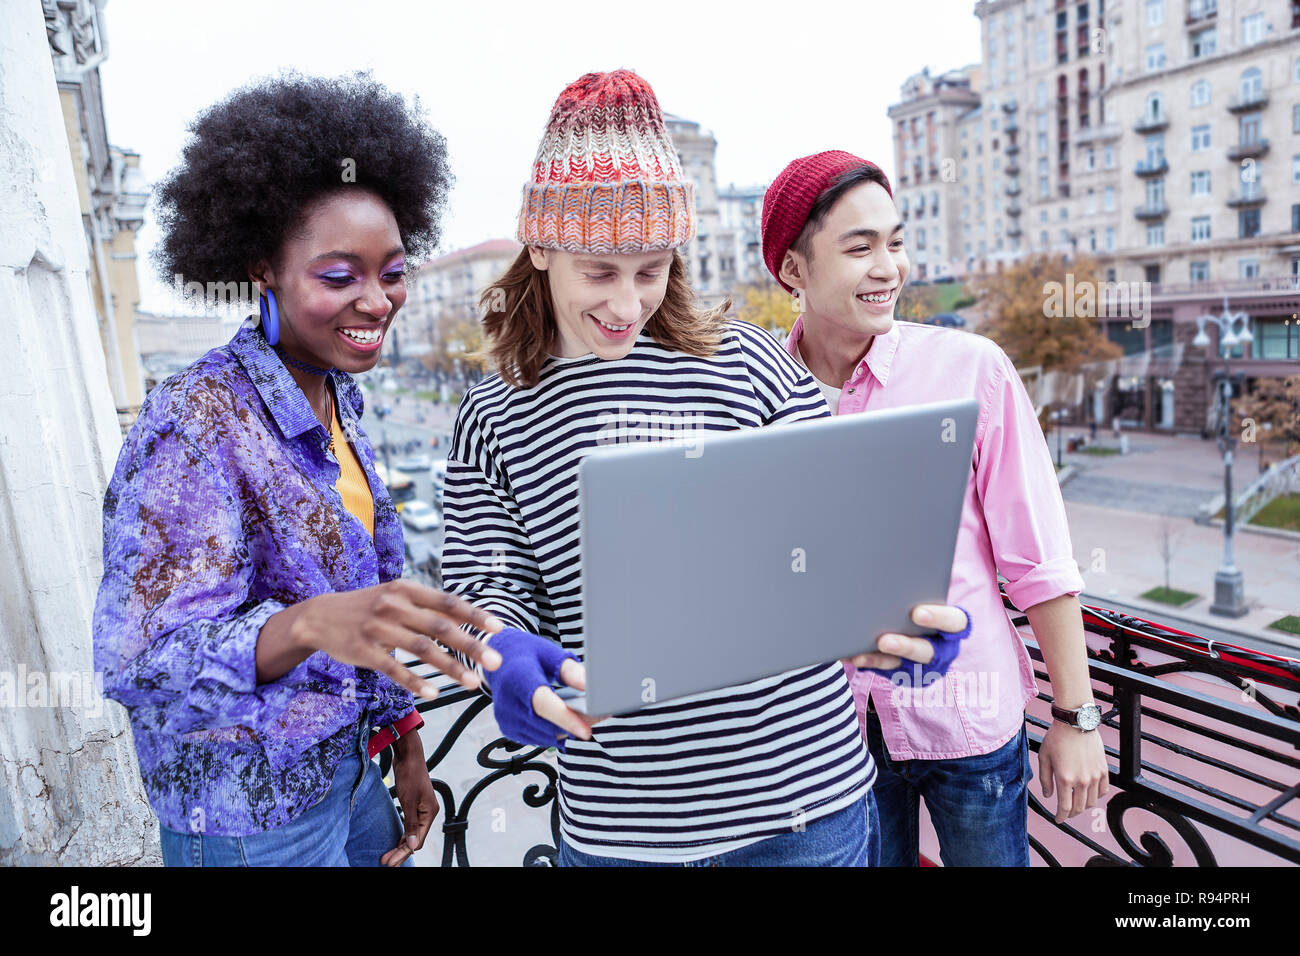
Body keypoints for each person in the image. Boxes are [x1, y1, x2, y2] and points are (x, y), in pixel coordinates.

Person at [439, 70, 970, 867]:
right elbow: (488, 588)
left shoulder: (750, 363)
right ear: (541, 245)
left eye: (651, 270)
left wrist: (885, 620)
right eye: (601, 272)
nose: (628, 304)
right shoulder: (493, 414)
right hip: (625, 834)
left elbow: (834, 544)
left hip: (807, 811)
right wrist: (500, 651)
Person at [92, 73, 504, 867]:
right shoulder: (195, 417)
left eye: (391, 271)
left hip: (349, 783)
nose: (379, 301)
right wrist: (307, 623)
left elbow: (372, 607)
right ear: (263, 270)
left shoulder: (340, 400)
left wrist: (404, 742)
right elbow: (140, 663)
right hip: (252, 823)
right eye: (339, 276)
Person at [760, 151, 1109, 866]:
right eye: (859, 248)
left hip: (969, 728)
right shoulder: (756, 393)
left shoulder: (970, 369)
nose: (889, 266)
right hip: (829, 741)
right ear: (792, 270)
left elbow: (1038, 556)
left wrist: (1076, 718)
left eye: (895, 241)